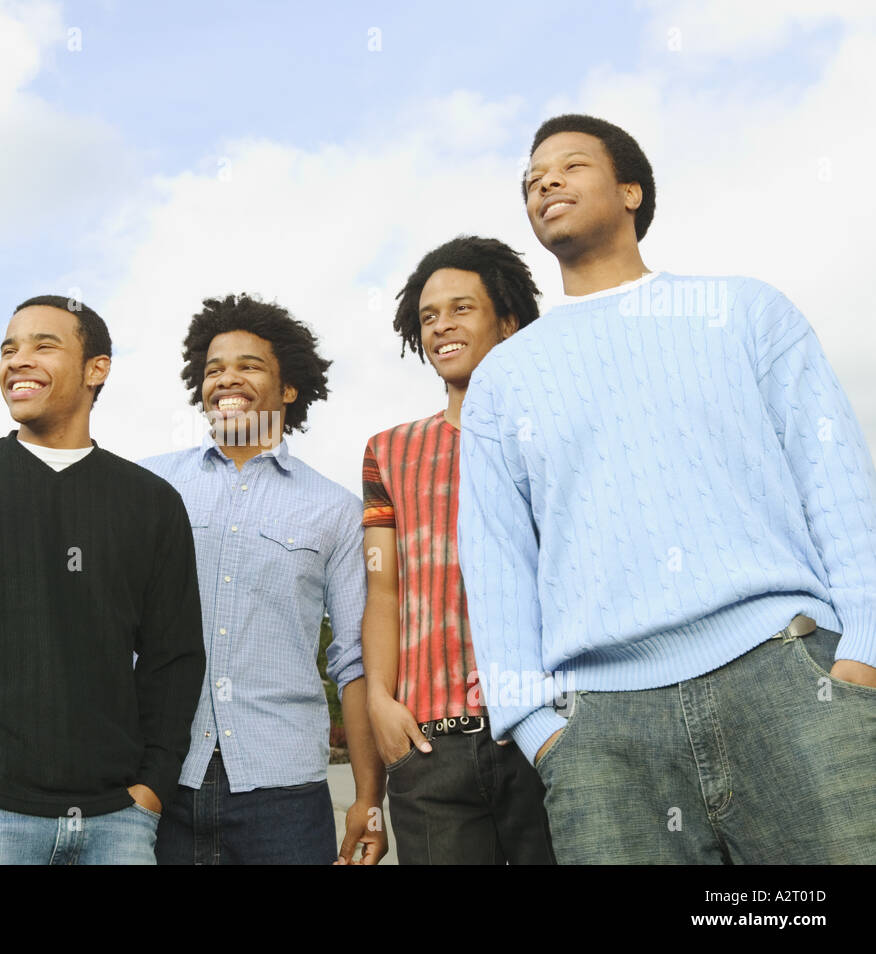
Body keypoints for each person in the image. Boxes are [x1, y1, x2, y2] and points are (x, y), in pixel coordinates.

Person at [457, 114, 876, 863]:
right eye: (530, 179)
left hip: (792, 679)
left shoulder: (747, 311)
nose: (544, 181)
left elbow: (839, 485)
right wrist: (536, 726)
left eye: (570, 165)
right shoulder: (502, 381)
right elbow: (495, 566)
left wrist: (864, 655)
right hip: (601, 735)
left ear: (631, 191)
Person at [0, 295, 205, 865]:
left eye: (43, 345)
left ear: (96, 368)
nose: (18, 360)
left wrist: (151, 787)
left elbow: (172, 658)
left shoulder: (152, 504)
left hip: (116, 825)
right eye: (8, 349)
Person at [140, 294, 385, 865]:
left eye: (249, 365)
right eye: (214, 369)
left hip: (285, 793)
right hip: (158, 781)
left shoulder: (336, 510)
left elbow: (354, 662)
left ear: (289, 388)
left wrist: (369, 798)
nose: (228, 379)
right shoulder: (149, 487)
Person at [362, 235, 555, 865]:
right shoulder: (387, 452)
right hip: (428, 746)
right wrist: (379, 704)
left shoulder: (557, 434)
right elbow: (384, 587)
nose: (441, 325)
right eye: (427, 316)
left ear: (508, 319)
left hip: (547, 730)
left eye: (461, 308)